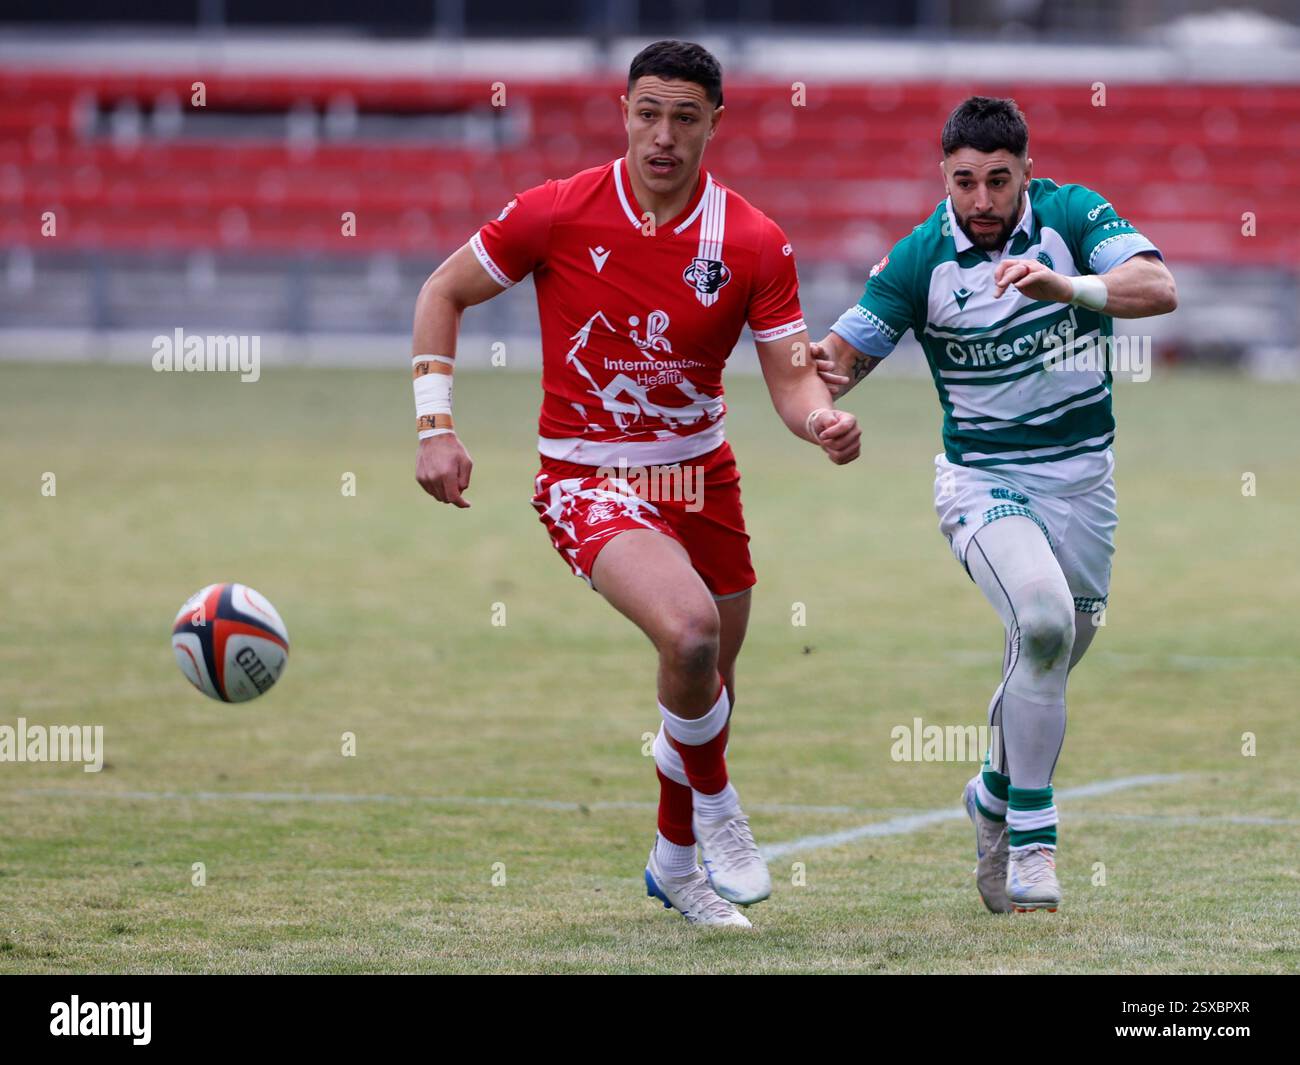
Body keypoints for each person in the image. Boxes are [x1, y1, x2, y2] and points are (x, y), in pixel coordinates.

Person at [413, 40, 860, 927]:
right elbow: (442, 291)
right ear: (623, 112)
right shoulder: (558, 212)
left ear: (714, 125)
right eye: (648, 113)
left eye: (684, 117)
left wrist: (820, 420)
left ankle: (674, 861)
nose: (663, 135)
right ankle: (721, 808)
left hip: (703, 478)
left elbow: (789, 376)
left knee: (707, 678)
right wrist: (436, 425)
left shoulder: (755, 241)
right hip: (589, 477)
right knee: (690, 634)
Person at [814, 96, 1176, 913]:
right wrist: (818, 397)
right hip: (985, 483)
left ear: (1026, 172)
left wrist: (1070, 287)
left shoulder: (1073, 214)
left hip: (1084, 481)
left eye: (998, 180)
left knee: (1051, 654)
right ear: (944, 174)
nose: (980, 200)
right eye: (964, 181)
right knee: (1042, 622)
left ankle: (992, 791)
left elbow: (1158, 286)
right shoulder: (916, 261)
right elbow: (838, 361)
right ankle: (1034, 843)